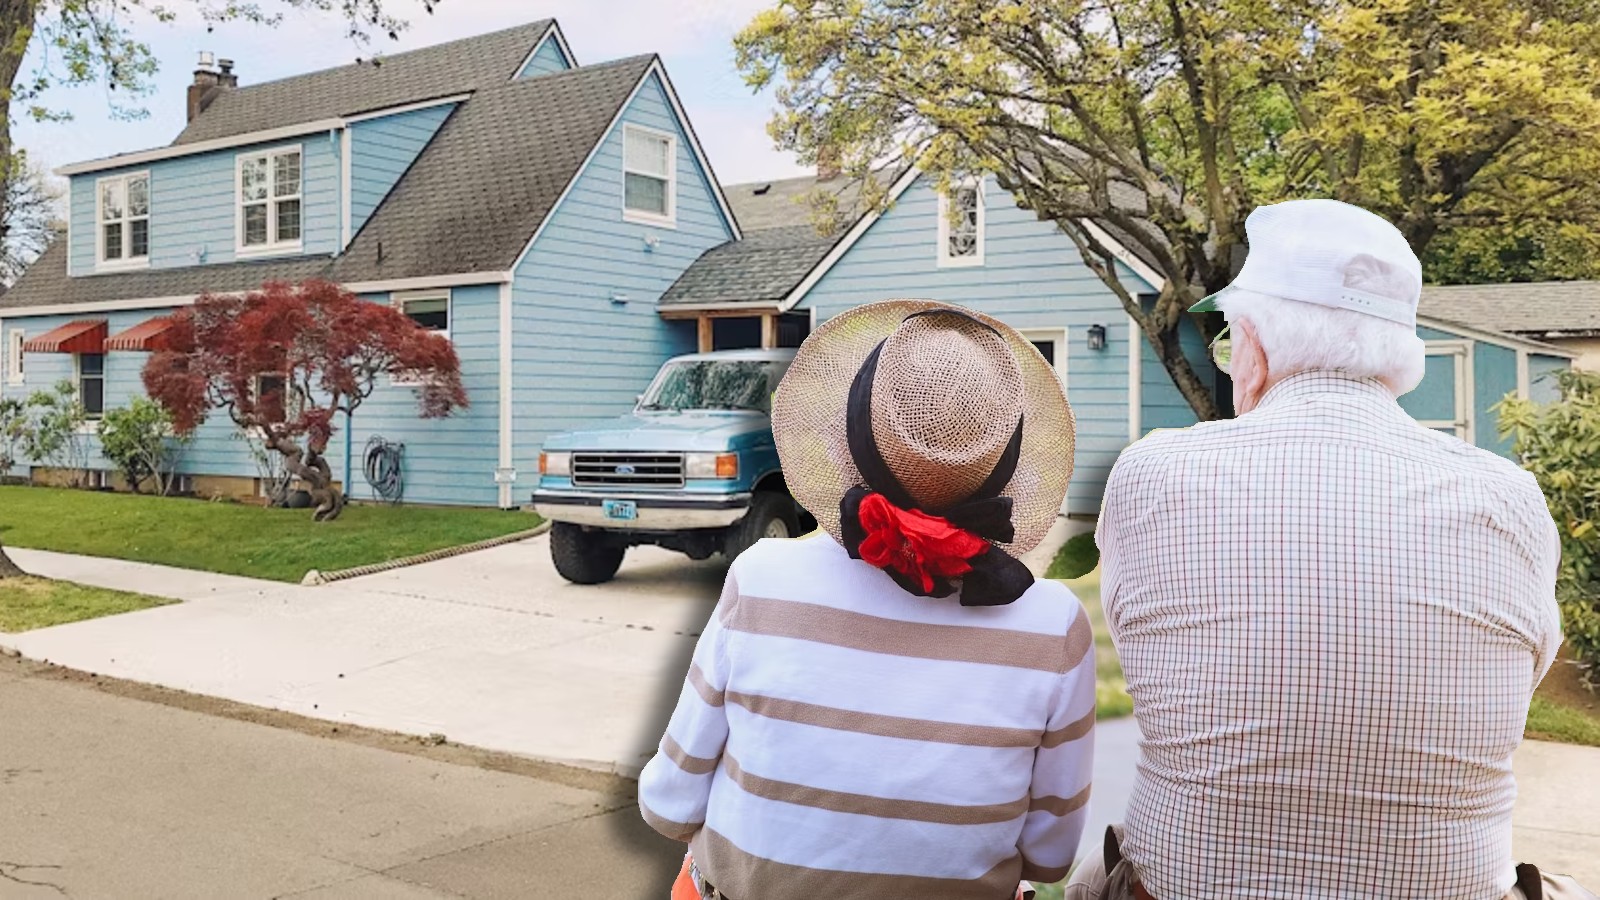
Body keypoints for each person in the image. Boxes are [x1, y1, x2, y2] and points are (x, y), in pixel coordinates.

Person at [1078, 199, 1588, 899]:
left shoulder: (1153, 472)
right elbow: (1517, 682)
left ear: (1252, 341)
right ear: (1401, 353)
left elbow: (1149, 657)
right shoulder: (1512, 498)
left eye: (1229, 339)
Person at [638, 299, 1094, 899]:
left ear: (846, 436)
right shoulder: (1053, 627)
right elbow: (1050, 854)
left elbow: (669, 802)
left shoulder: (762, 577)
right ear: (1004, 465)